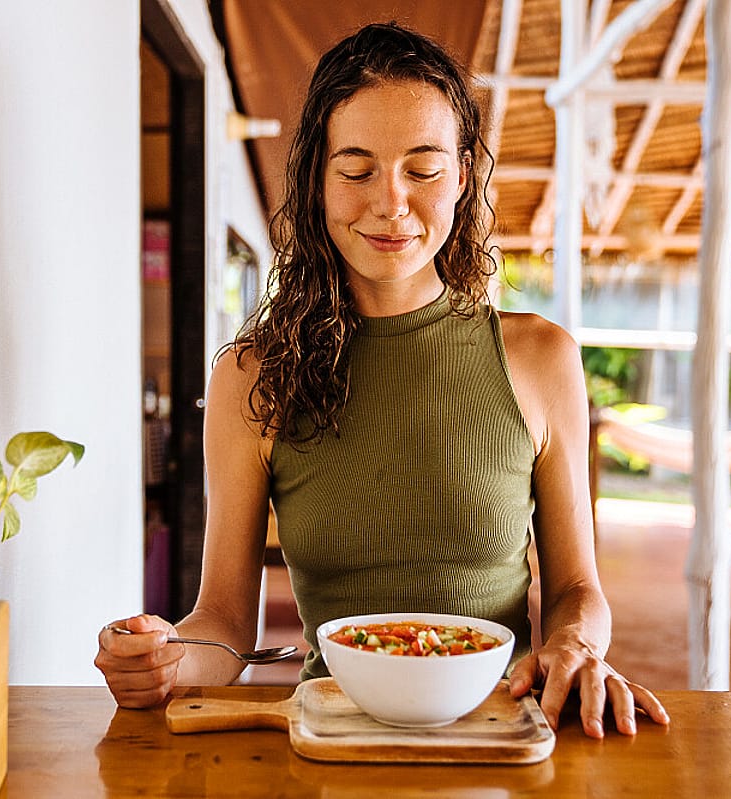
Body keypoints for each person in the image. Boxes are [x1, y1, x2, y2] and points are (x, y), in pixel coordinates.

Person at [96, 22, 669, 739]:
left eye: (422, 170)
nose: (392, 203)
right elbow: (224, 623)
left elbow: (578, 589)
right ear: (317, 179)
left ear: (463, 173)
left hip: (505, 729)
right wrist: (164, 657)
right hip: (330, 736)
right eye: (356, 169)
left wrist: (575, 645)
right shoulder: (253, 375)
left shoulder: (541, 357)